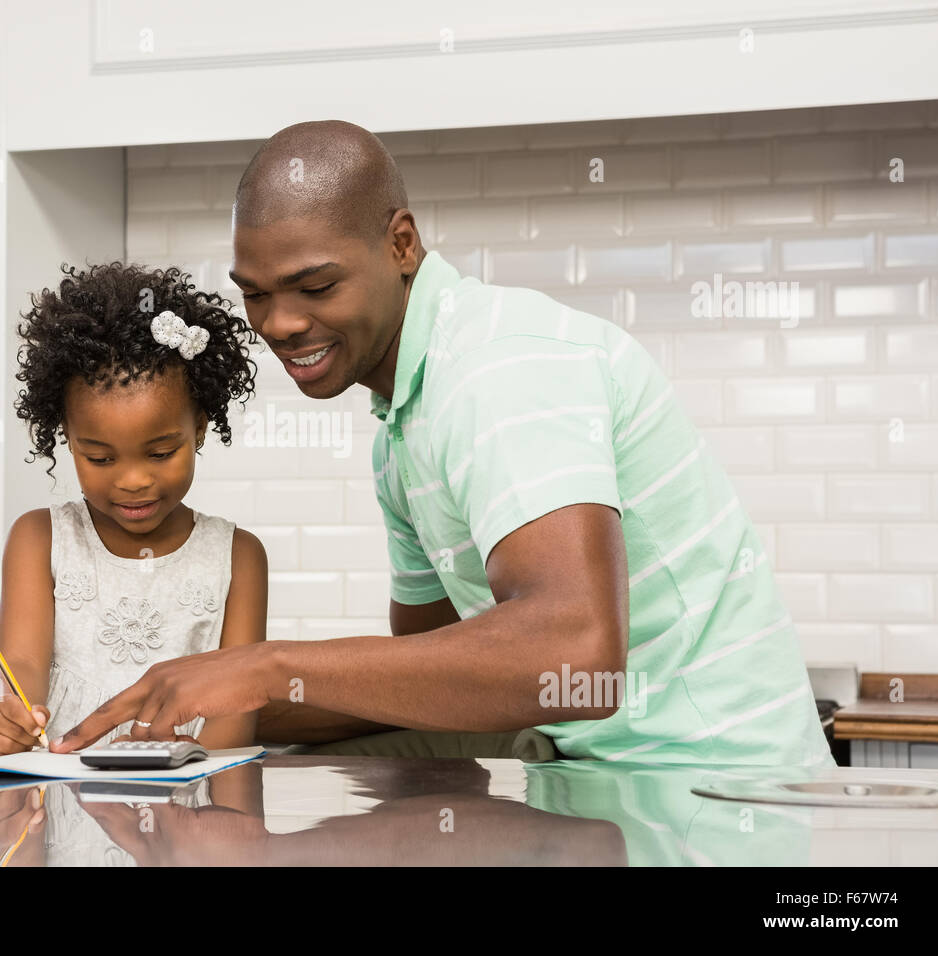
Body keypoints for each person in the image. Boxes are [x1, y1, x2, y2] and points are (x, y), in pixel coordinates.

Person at [49, 121, 835, 767]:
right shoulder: (402, 428)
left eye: (315, 286)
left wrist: (264, 668)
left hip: (720, 799)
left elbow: (579, 663)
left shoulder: (499, 368)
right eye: (256, 293)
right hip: (614, 786)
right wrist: (186, 703)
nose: (281, 323)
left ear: (401, 246)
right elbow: (434, 676)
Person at [0, 261, 268, 757]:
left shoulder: (238, 556)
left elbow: (234, 724)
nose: (133, 480)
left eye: (159, 453)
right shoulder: (39, 539)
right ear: (66, 438)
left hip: (186, 816)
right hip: (63, 812)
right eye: (100, 457)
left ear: (199, 427)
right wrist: (6, 710)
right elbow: (21, 667)